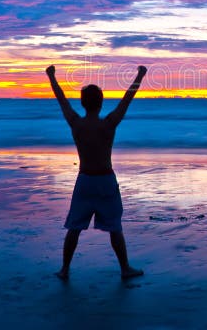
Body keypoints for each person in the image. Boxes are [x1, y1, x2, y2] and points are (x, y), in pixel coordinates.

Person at [45, 64, 147, 281]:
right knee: (114, 228)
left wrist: (51, 77)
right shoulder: (108, 124)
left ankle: (64, 269)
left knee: (74, 227)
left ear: (82, 103)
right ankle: (125, 268)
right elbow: (127, 100)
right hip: (105, 181)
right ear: (101, 103)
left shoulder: (76, 124)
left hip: (85, 181)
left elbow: (61, 99)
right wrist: (140, 75)